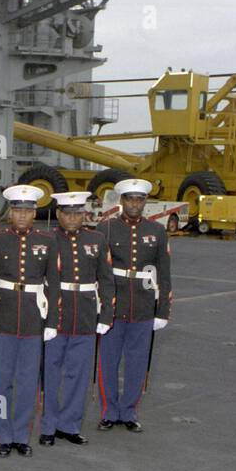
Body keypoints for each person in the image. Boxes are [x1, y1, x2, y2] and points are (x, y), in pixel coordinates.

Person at [96, 177, 172, 432]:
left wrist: (163, 310)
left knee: (137, 362)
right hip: (114, 305)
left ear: (145, 202)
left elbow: (164, 273)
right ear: (122, 201)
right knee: (108, 361)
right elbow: (98, 271)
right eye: (130, 199)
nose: (135, 204)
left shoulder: (157, 231)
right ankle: (109, 411)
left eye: (140, 199)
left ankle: (129, 412)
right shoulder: (105, 228)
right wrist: (100, 305)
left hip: (143, 304)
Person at [0, 184, 58, 456]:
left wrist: (51, 321)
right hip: (3, 316)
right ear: (10, 212)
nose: (21, 215)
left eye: (27, 210)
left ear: (34, 212)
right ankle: (3, 433)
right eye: (17, 210)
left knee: (29, 382)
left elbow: (53, 282)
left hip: (33, 317)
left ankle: (21, 434)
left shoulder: (47, 240)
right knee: (1, 382)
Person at [41, 190, 114, 446]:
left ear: (84, 213)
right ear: (58, 214)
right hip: (56, 315)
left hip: (84, 314)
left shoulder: (97, 239)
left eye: (77, 213)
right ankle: (48, 425)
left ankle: (69, 425)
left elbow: (106, 279)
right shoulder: (47, 239)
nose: (73, 219)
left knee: (79, 373)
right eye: (67, 214)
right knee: (50, 372)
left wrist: (106, 313)